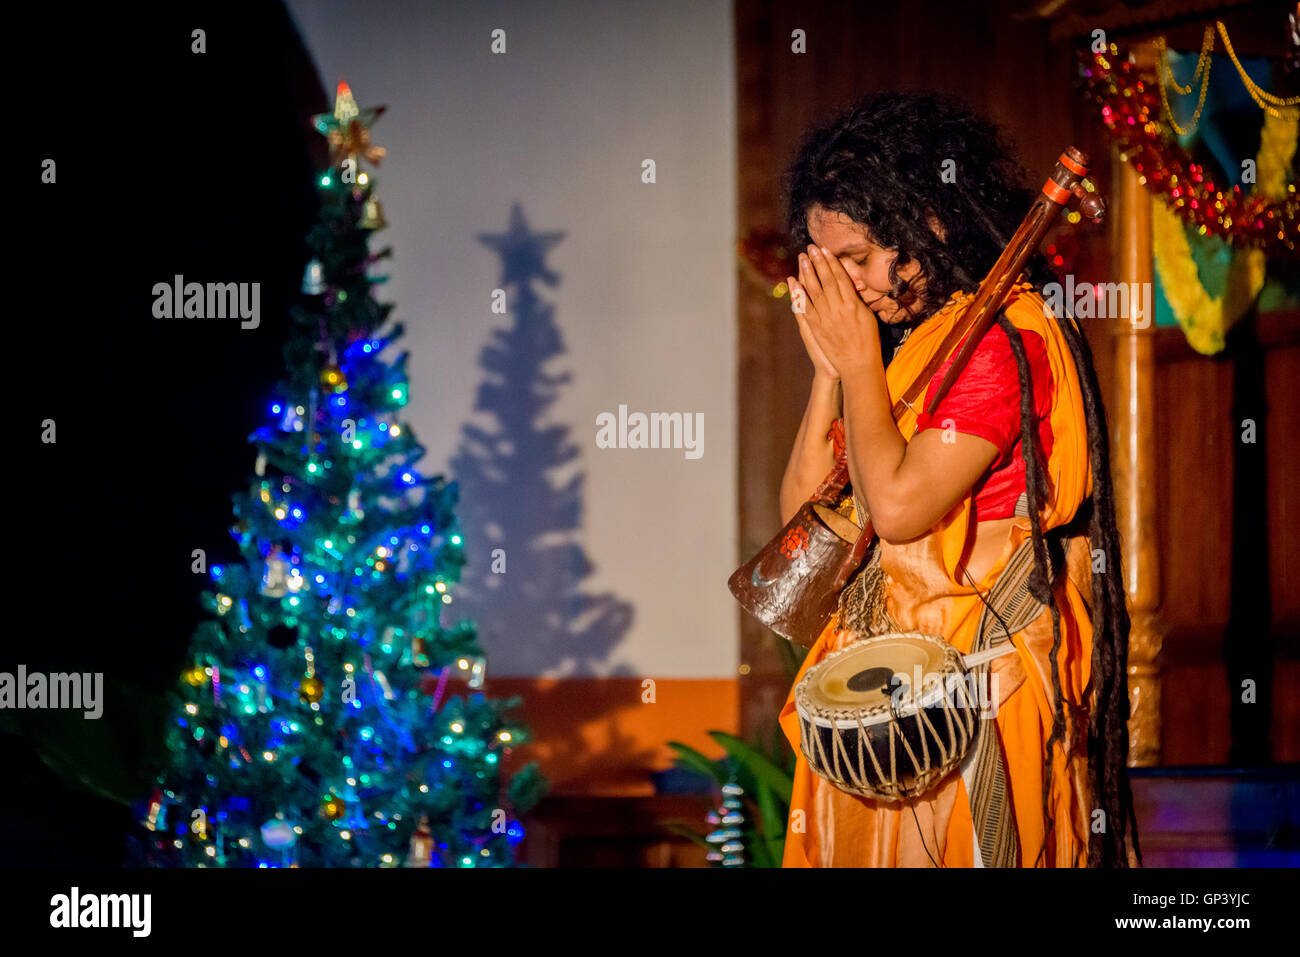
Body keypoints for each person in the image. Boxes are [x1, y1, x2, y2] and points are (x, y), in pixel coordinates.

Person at [775, 91, 1140, 868]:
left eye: (858, 260)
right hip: (884, 697)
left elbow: (900, 509)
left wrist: (862, 364)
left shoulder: (998, 343)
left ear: (927, 228)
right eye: (825, 265)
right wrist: (827, 376)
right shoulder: (912, 354)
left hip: (971, 693)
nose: (849, 289)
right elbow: (805, 533)